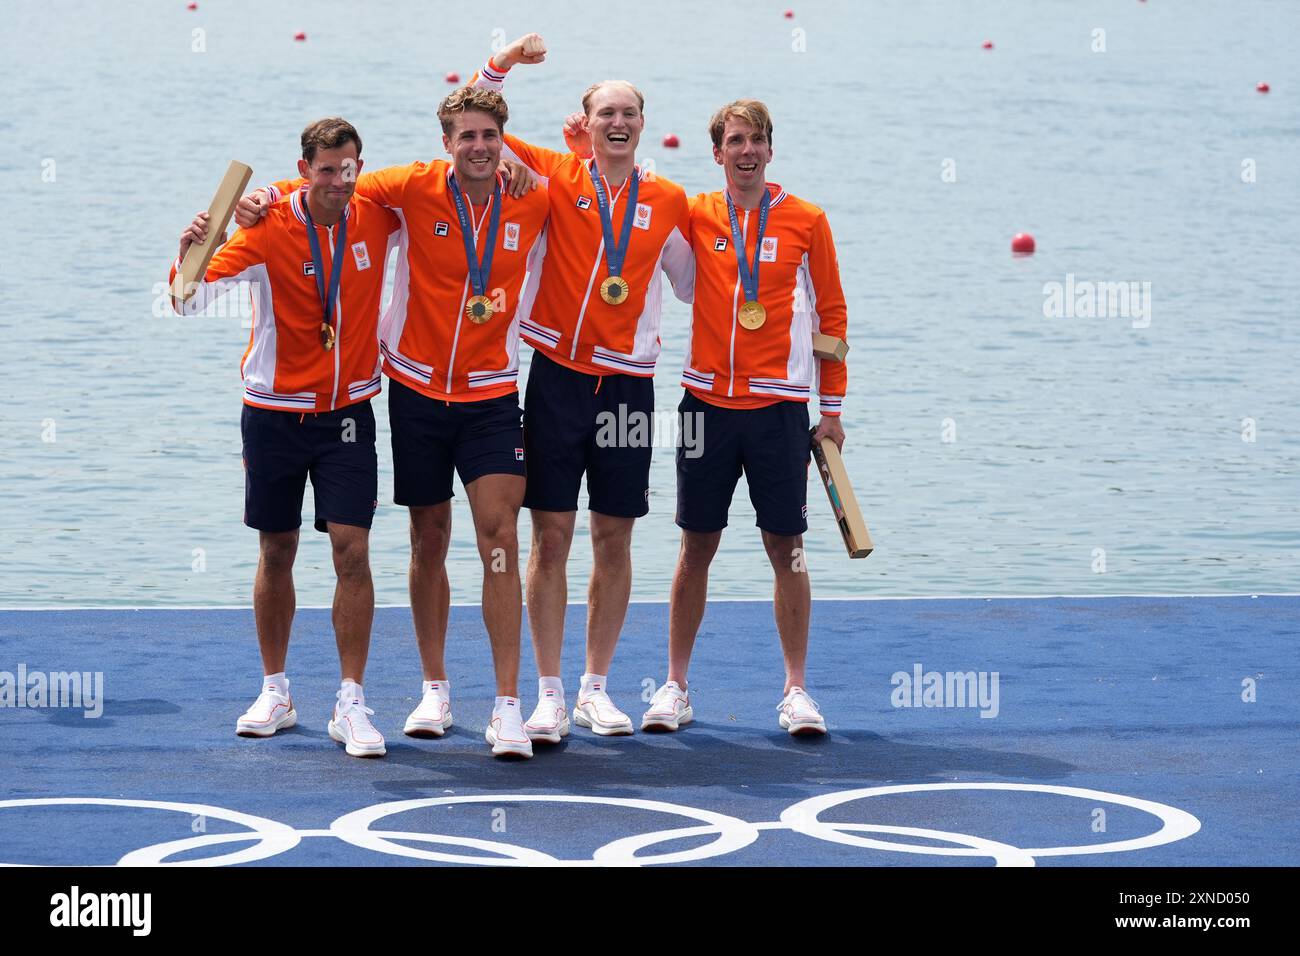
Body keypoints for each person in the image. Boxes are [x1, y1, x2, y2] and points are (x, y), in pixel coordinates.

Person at [237, 89, 549, 758]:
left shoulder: (535, 194)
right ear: (446, 143)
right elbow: (328, 183)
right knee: (427, 536)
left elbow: (589, 188)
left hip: (492, 394)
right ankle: (434, 688)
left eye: (490, 135)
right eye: (465, 135)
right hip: (412, 393)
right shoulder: (406, 189)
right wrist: (259, 196)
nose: (478, 146)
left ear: (505, 139)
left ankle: (507, 706)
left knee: (500, 536)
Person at [472, 34, 694, 742]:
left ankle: (599, 688)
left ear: (642, 124)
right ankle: (548, 694)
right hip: (557, 380)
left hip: (629, 387)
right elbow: (484, 130)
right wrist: (499, 63)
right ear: (587, 122)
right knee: (552, 534)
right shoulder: (555, 176)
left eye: (629, 112)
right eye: (606, 113)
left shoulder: (670, 200)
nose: (618, 122)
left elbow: (695, 285)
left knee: (614, 535)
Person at [171, 118, 400, 757]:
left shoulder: (379, 217)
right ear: (304, 170)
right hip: (273, 411)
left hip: (348, 413)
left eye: (348, 168)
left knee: (352, 551)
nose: (338, 181)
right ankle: (276, 689)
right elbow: (187, 300)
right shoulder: (266, 226)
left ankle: (351, 700)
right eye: (325, 170)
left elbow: (446, 192)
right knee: (277, 550)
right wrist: (194, 243)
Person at [640, 100, 848, 736]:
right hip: (705, 405)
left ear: (770, 148)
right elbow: (624, 208)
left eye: (756, 140)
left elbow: (832, 321)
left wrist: (831, 409)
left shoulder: (808, 220)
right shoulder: (696, 214)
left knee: (787, 549)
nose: (747, 150)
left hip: (780, 409)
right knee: (694, 546)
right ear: (717, 152)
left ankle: (796, 691)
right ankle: (674, 686)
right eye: (735, 140)